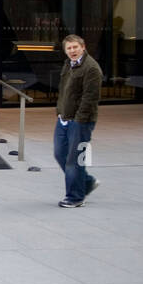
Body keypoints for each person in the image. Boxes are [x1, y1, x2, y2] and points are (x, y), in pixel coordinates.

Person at [53, 34, 101, 208]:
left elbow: (90, 98)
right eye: (69, 48)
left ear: (83, 47)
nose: (72, 51)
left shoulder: (91, 68)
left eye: (75, 47)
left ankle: (75, 197)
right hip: (63, 118)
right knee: (60, 154)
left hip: (81, 122)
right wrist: (60, 112)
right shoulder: (68, 64)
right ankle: (86, 183)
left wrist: (79, 119)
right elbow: (64, 90)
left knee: (75, 159)